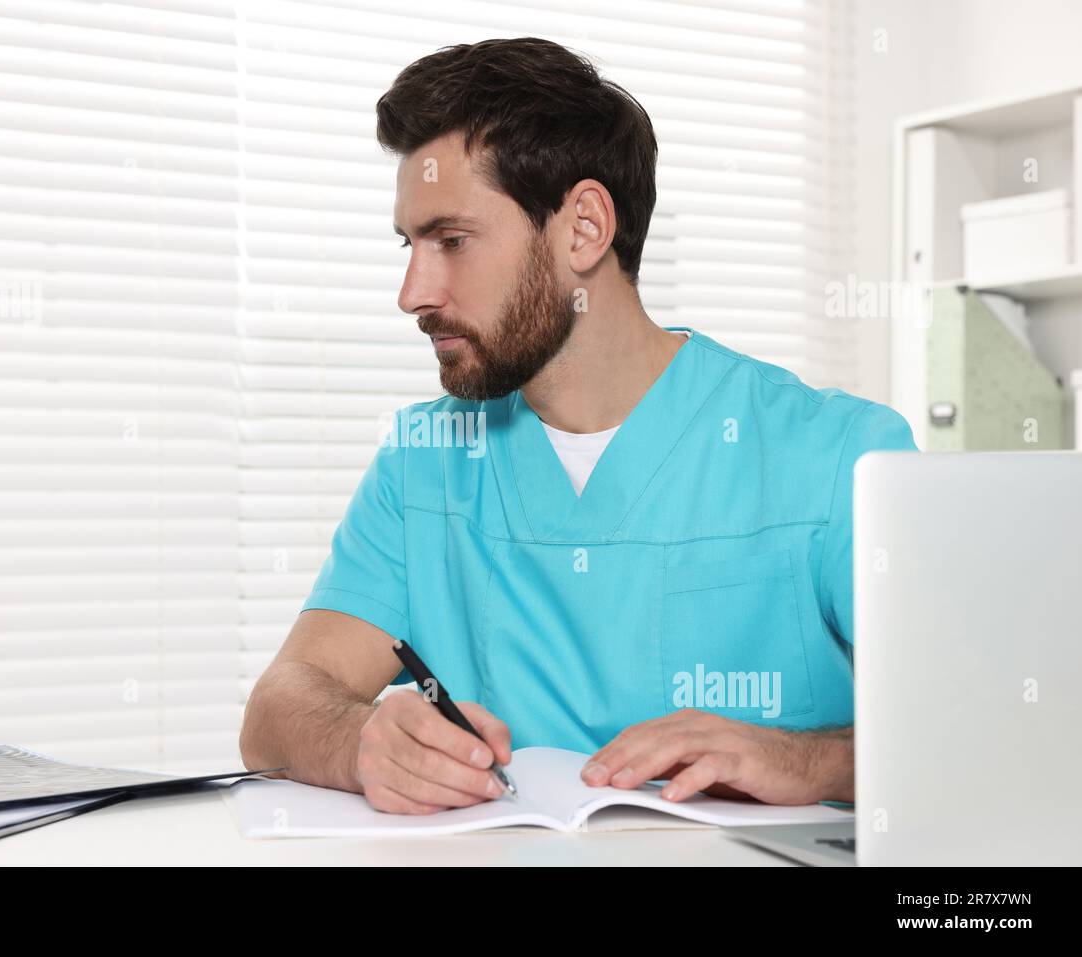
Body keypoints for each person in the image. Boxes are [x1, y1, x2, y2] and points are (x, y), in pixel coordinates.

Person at [240, 37, 915, 814]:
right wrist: (362, 741)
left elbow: (992, 721)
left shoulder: (840, 457)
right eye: (410, 245)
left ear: (584, 228)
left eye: (451, 241)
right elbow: (278, 708)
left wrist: (816, 762)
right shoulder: (423, 462)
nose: (413, 292)